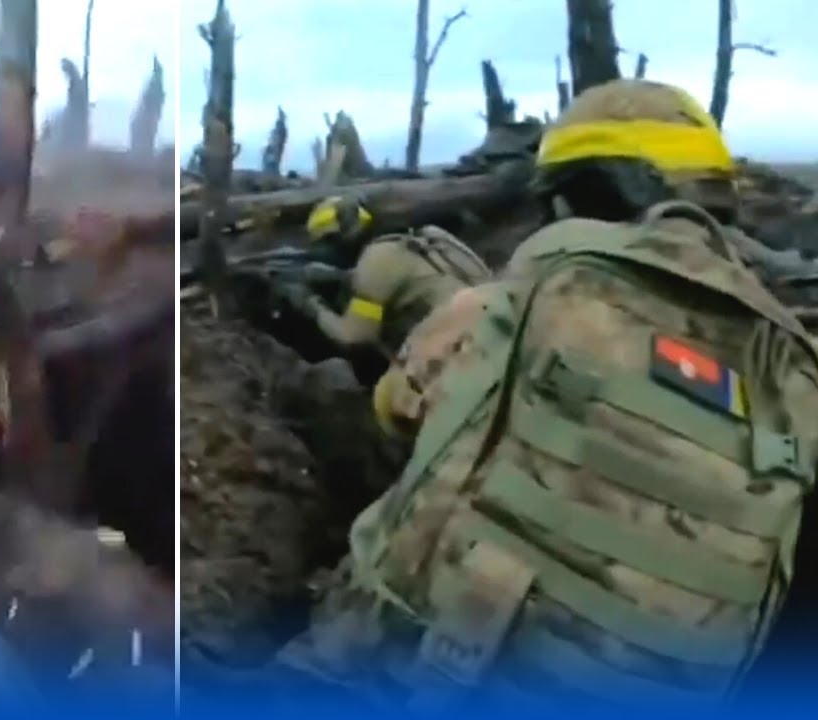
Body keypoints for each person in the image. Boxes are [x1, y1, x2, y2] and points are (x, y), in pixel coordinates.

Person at [274, 78, 818, 712]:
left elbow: (392, 407)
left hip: (421, 679)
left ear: (572, 197)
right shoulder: (792, 369)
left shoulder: (511, 297)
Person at [277, 198, 490, 357]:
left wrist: (311, 304)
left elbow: (356, 338)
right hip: (496, 326)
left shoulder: (376, 259)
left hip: (466, 350)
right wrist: (344, 277)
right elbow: (410, 273)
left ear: (339, 239)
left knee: (386, 391)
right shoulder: (430, 235)